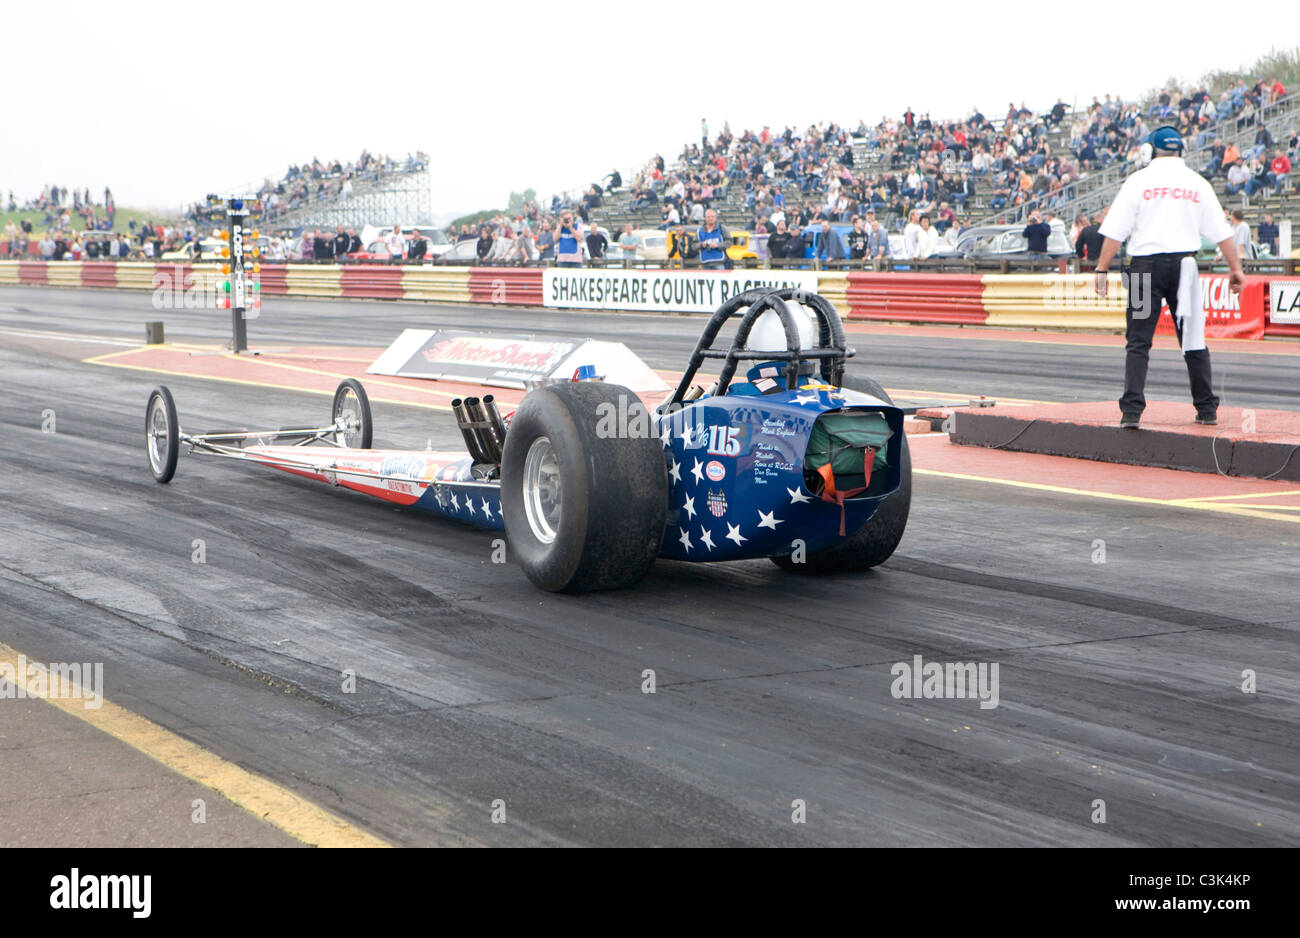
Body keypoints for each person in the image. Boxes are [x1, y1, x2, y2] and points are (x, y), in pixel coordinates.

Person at [1094, 126, 1243, 428]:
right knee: (1193, 338)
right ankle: (1206, 409)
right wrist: (1235, 268)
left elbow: (1114, 232)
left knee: (1138, 342)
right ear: (1181, 151)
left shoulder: (1138, 181)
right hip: (1185, 267)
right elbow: (1221, 232)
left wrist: (1100, 269)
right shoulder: (1196, 183)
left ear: (1150, 151)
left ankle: (1131, 412)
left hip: (1143, 269)